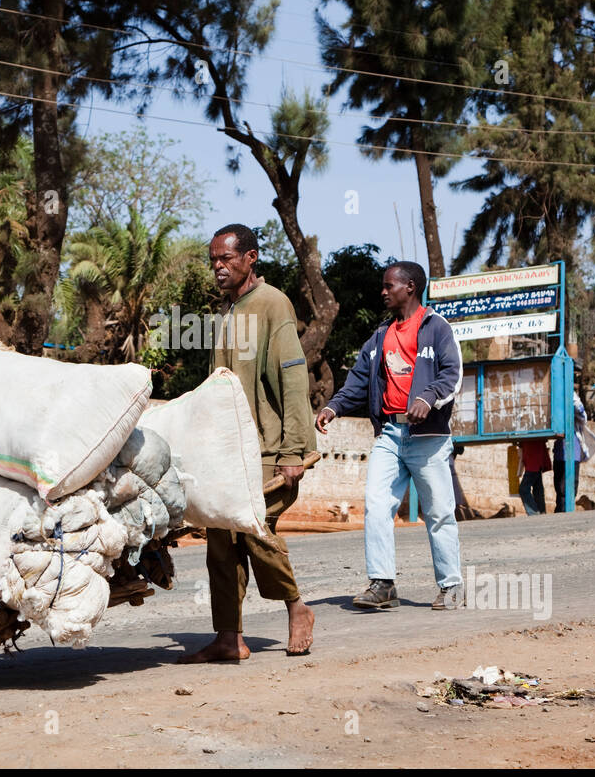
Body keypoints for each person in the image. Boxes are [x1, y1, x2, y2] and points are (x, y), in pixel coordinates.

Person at [180, 223, 316, 663]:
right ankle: (228, 636)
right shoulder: (224, 313)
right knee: (221, 541)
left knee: (257, 531)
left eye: (227, 259)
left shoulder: (273, 304)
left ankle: (297, 607)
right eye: (214, 260)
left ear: (251, 258)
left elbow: (293, 377)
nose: (218, 267)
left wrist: (294, 450)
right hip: (226, 451)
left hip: (268, 449)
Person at [315, 262, 464, 611]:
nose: (383, 291)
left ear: (410, 287)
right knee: (377, 504)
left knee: (439, 511)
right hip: (390, 434)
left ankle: (451, 586)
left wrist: (428, 398)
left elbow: (452, 375)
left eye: (389, 286)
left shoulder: (437, 328)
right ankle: (382, 584)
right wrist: (333, 407)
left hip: (428, 437)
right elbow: (359, 380)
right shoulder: (380, 336)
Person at [552, 384, 594, 512]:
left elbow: (581, 411)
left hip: (572, 453)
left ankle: (566, 511)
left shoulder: (576, 414)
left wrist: (568, 394)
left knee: (570, 486)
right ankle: (560, 510)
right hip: (559, 453)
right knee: (559, 487)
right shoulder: (556, 412)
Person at [517, 439, 551, 515]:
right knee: (537, 489)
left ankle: (534, 513)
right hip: (536, 460)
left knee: (523, 489)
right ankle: (541, 511)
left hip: (533, 461)